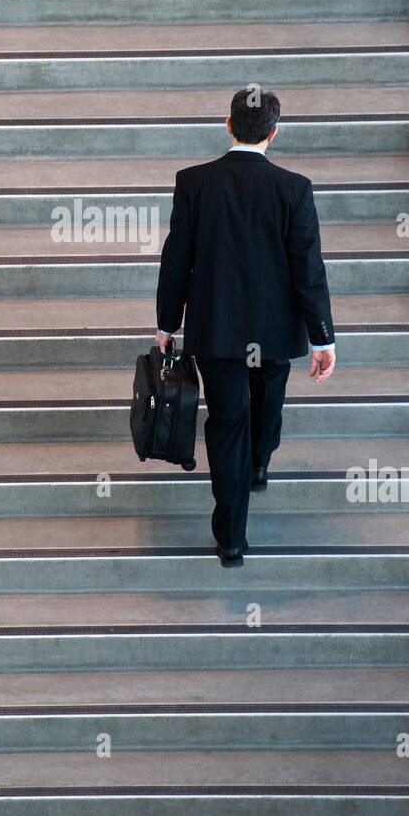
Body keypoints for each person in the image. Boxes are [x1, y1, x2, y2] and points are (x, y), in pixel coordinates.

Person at [155, 86, 336, 567]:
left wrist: (167, 324)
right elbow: (308, 267)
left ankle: (230, 536)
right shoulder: (293, 188)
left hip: (217, 331)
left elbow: (177, 262)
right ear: (273, 133)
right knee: (265, 412)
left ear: (229, 124)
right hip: (274, 333)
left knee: (227, 422)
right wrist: (323, 336)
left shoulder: (193, 182)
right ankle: (259, 463)